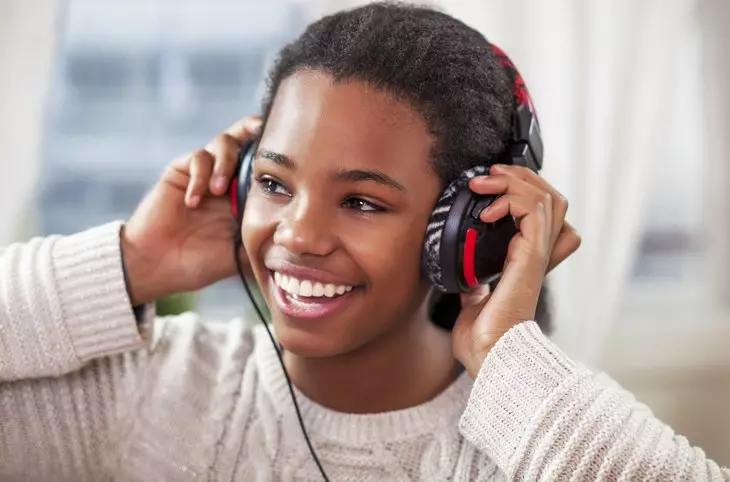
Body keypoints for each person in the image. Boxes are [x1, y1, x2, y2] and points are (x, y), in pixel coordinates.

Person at [0, 3, 727, 481]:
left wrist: (512, 364)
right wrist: (132, 263)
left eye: (360, 201)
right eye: (276, 184)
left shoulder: (539, 437)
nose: (298, 235)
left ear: (469, 232)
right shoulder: (152, 395)